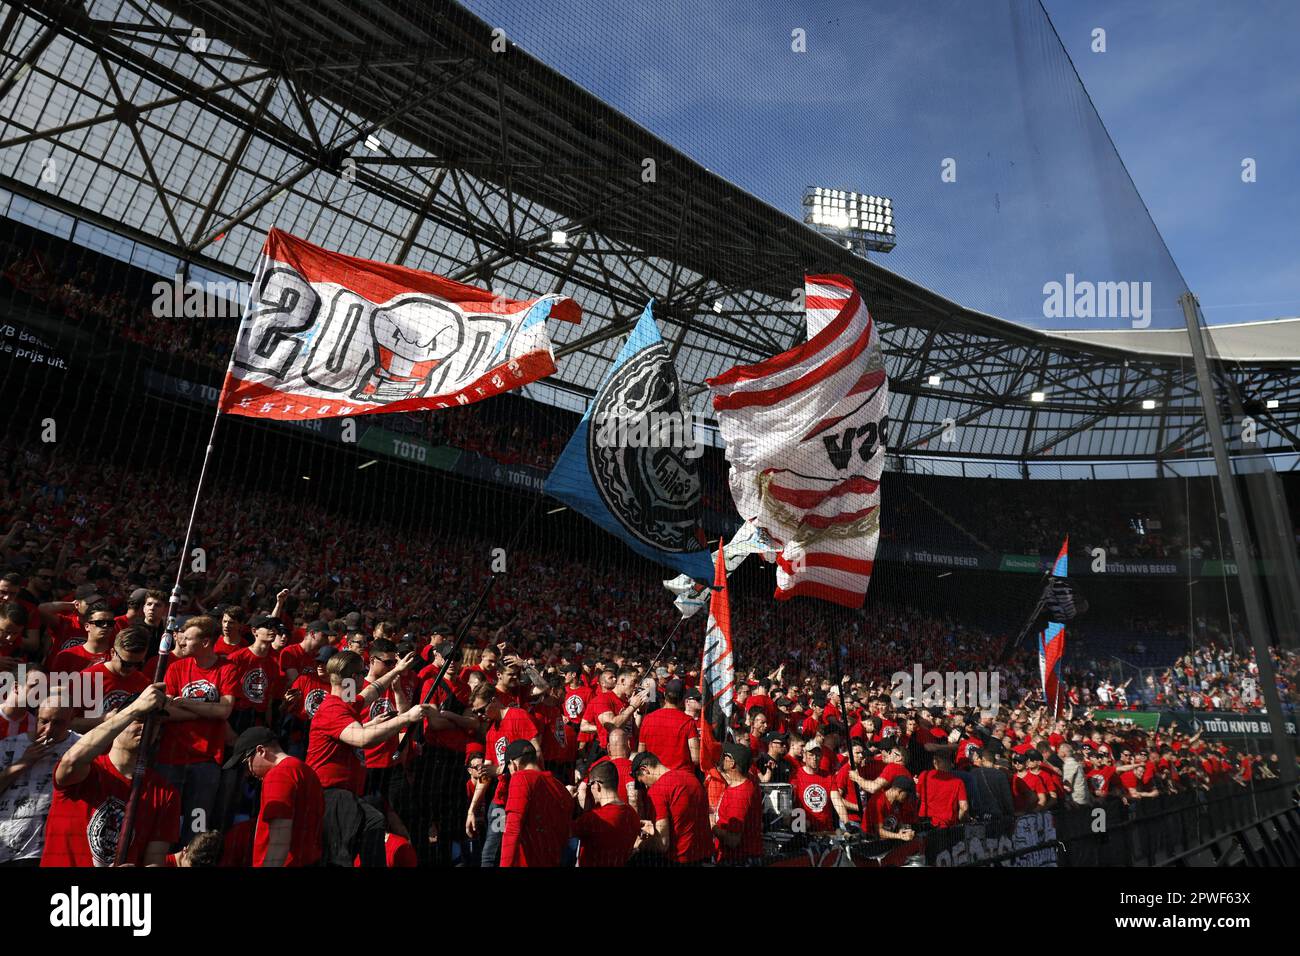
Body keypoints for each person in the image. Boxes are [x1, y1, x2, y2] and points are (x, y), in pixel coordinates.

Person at [307, 649, 429, 866]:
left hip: (341, 794)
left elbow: (374, 690)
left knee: (373, 822)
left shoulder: (345, 701)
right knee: (341, 853)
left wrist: (396, 671)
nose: (365, 678)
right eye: (361, 674)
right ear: (352, 679)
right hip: (330, 794)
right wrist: (406, 717)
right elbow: (362, 739)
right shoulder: (334, 708)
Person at [41, 685, 180, 866]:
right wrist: (134, 708)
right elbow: (71, 762)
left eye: (155, 722)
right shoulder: (90, 769)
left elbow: (155, 859)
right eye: (140, 719)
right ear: (121, 721)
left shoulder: (166, 793)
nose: (147, 727)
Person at [156, 615, 236, 846]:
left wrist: (186, 702)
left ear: (205, 642)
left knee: (197, 823)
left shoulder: (227, 669)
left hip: (207, 759)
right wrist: (209, 710)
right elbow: (167, 712)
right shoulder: (176, 668)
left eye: (188, 638)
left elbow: (225, 712)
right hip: (171, 757)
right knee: (164, 820)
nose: (181, 642)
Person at [223, 726, 324, 867]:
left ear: (261, 751)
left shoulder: (278, 775)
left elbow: (279, 839)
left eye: (246, 764)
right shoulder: (306, 770)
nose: (247, 773)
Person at [0, 690, 79, 866]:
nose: (49, 729)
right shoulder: (9, 746)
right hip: (6, 849)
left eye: (58, 723)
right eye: (44, 721)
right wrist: (22, 763)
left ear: (71, 720)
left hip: (51, 851)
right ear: (36, 716)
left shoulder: (80, 748)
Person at [631, 751, 713, 865]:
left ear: (645, 769)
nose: (645, 787)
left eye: (642, 782)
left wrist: (639, 843)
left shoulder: (657, 790)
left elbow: (663, 844)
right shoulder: (692, 778)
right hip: (704, 856)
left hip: (679, 859)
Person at [499, 739, 572, 867]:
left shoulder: (520, 778)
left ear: (513, 764)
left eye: (508, 768)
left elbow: (512, 830)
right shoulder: (560, 787)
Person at [77, 625, 151, 729]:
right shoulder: (87, 679)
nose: (131, 669)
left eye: (138, 664)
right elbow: (66, 724)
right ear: (112, 653)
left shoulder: (144, 682)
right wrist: (103, 720)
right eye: (126, 663)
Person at [572, 760, 639, 867]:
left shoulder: (593, 818)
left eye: (590, 785)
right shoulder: (633, 814)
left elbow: (562, 832)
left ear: (597, 785)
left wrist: (566, 800)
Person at [713, 743, 763, 866]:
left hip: (737, 860)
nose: (723, 757)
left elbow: (733, 840)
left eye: (726, 756)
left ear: (732, 763)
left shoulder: (740, 794)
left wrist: (712, 827)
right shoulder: (744, 784)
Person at [637, 678, 699, 770]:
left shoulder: (648, 719)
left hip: (655, 777)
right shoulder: (688, 721)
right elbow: (695, 758)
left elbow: (641, 753)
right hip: (681, 776)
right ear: (683, 699)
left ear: (665, 694)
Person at [917, 751, 969, 828]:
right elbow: (964, 807)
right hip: (946, 825)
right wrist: (960, 820)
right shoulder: (958, 782)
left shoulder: (924, 775)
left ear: (935, 762)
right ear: (950, 763)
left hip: (924, 822)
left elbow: (917, 797)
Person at [863, 774, 918, 841]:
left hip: (887, 841)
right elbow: (879, 832)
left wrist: (905, 831)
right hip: (870, 842)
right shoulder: (878, 801)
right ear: (899, 791)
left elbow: (899, 824)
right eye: (907, 795)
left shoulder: (897, 802)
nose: (908, 798)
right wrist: (900, 836)